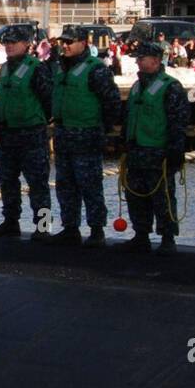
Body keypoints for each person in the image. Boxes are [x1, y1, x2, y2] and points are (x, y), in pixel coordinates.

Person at [48, 24, 122, 247]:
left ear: (84, 43)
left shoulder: (95, 69)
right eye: (64, 42)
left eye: (70, 42)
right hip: (64, 135)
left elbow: (112, 101)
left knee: (90, 185)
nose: (66, 46)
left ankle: (96, 230)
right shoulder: (61, 67)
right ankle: (70, 228)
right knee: (65, 185)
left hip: (86, 136)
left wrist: (104, 129)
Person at [119, 40, 190, 255]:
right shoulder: (137, 86)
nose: (138, 62)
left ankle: (168, 238)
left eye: (142, 58)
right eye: (138, 58)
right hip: (137, 151)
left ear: (156, 61)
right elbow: (129, 115)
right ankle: (141, 235)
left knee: (163, 197)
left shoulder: (170, 86)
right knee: (135, 196)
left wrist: (176, 151)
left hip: (158, 153)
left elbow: (178, 122)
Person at [0, 24, 54, 239]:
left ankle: (43, 227)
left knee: (38, 183)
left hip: (31, 133)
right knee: (7, 179)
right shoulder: (5, 69)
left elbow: (48, 99)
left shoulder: (36, 68)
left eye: (14, 42)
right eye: (6, 42)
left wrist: (39, 120)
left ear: (27, 45)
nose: (9, 46)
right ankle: (10, 221)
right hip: (8, 133)